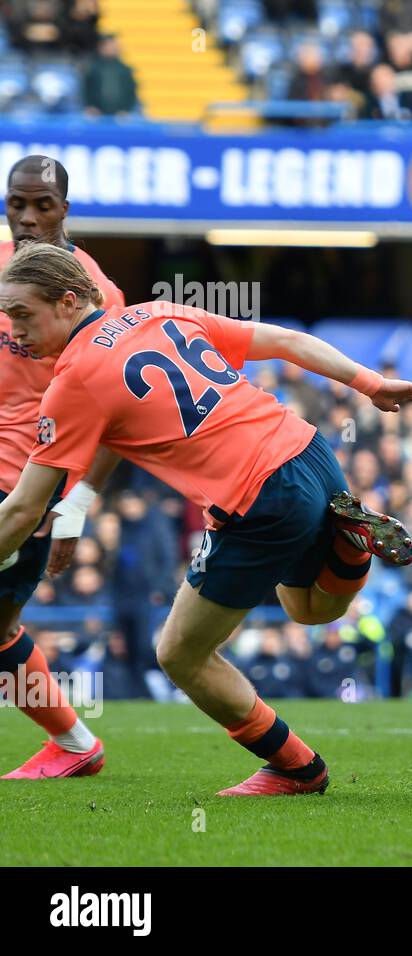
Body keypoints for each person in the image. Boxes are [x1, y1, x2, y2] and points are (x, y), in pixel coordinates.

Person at [0, 243, 412, 795]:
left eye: (21, 314)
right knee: (308, 609)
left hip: (258, 498)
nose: (13, 331)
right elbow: (286, 340)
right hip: (307, 450)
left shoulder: (73, 382)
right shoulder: (159, 312)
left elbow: (22, 508)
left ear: (66, 302)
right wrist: (371, 384)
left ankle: (297, 769)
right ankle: (349, 544)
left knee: (180, 653)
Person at [0, 155, 125, 780]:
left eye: (41, 205)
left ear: (65, 210)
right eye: (15, 203)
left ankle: (75, 743)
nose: (26, 218)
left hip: (25, 485)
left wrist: (76, 504)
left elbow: (117, 417)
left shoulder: (97, 295)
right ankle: (76, 744)